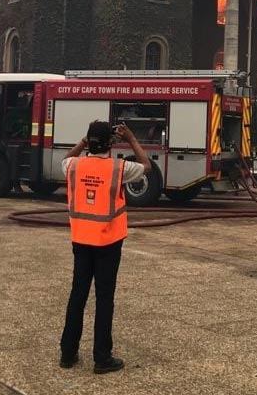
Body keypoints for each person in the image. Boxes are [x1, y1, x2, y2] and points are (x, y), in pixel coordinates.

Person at [59, 120, 151, 374]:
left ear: (89, 142)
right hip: (109, 243)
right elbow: (147, 166)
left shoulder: (74, 166)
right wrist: (132, 139)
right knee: (104, 298)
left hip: (80, 240)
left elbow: (65, 160)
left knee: (77, 295)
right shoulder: (119, 168)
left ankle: (67, 353)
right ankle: (102, 357)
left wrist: (82, 143)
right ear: (110, 145)